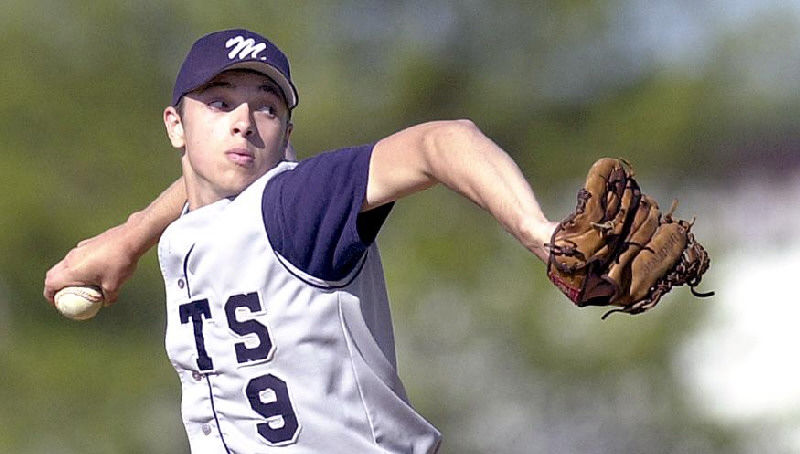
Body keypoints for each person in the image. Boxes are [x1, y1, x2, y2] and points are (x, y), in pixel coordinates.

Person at [44, 28, 557, 453]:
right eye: (220, 102)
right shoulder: (187, 230)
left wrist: (539, 234)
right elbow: (203, 189)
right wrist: (132, 236)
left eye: (265, 108)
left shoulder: (296, 202)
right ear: (176, 125)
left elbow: (443, 141)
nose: (243, 123)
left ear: (287, 137)